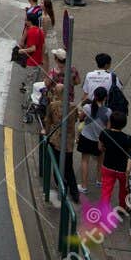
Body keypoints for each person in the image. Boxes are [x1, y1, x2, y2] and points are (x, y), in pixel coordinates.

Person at [41, 75, 78, 208]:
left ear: (56, 92)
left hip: (56, 140)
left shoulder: (52, 105)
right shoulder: (73, 106)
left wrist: (45, 131)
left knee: (57, 166)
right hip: (69, 142)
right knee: (69, 167)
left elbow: (48, 121)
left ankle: (63, 189)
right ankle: (75, 193)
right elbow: (76, 119)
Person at [97, 110, 131, 217]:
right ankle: (122, 208)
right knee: (124, 190)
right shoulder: (127, 138)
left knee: (106, 190)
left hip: (108, 166)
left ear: (111, 121)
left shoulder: (104, 133)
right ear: (124, 124)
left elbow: (100, 147)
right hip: (122, 169)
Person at [76, 87, 110, 194]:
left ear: (94, 96)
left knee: (85, 161)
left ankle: (84, 186)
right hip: (99, 140)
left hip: (86, 138)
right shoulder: (108, 112)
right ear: (105, 97)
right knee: (100, 162)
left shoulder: (87, 107)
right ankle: (99, 180)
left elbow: (81, 118)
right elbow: (108, 129)